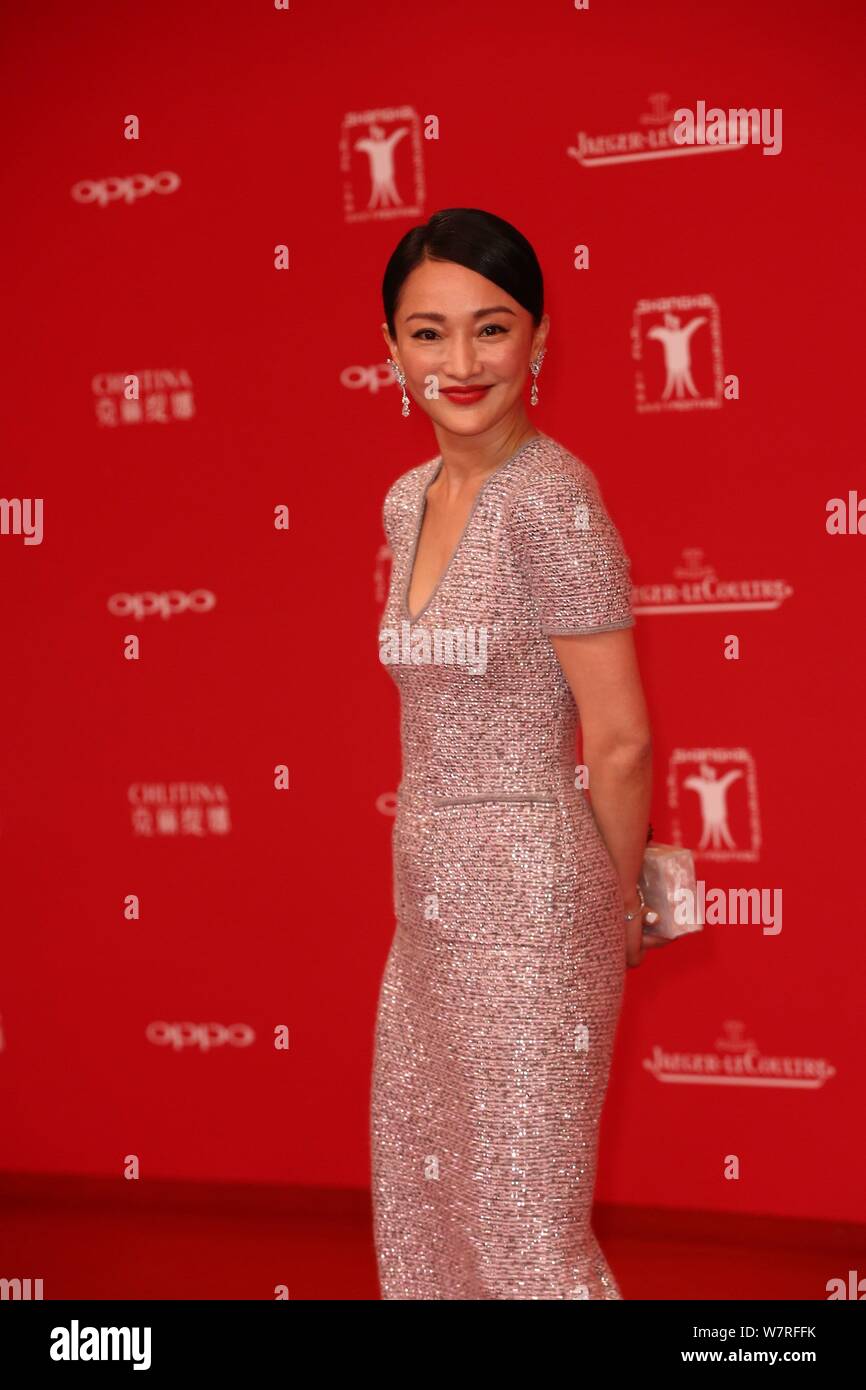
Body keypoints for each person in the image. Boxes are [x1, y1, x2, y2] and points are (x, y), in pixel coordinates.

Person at [370, 207, 665, 1300]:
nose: (460, 361)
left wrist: (614, 906)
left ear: (538, 341)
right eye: (428, 332)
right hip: (428, 899)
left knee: (522, 1226)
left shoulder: (554, 499)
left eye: (490, 329)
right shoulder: (405, 502)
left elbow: (621, 737)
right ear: (390, 351)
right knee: (427, 1206)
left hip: (537, 901)